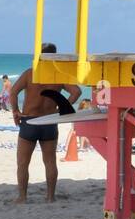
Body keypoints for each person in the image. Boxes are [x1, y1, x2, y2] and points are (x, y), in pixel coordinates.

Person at [9, 43, 81, 203]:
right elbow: (76, 92)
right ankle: (50, 197)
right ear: (54, 56)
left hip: (30, 121)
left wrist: (15, 111)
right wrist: (62, 108)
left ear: (40, 56)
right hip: (49, 122)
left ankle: (22, 197)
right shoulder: (59, 75)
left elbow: (13, 92)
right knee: (50, 162)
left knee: (22, 163)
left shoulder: (30, 73)